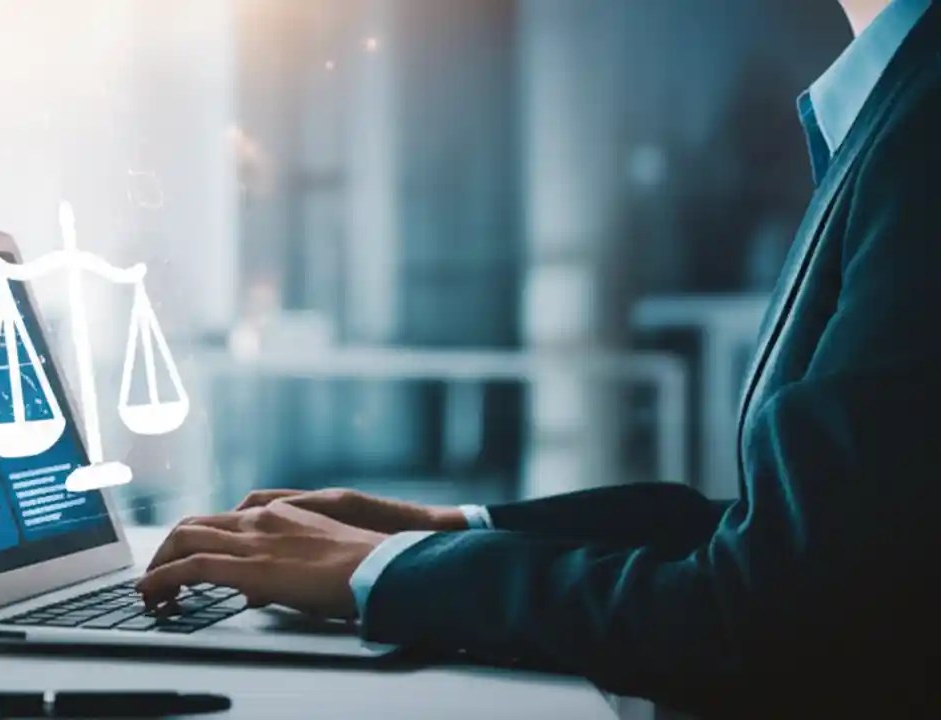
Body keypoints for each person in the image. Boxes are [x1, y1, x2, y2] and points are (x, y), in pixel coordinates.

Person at [139, 0, 941, 713]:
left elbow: (772, 618)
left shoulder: (924, 123)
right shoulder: (896, 101)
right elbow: (786, 540)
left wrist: (391, 572)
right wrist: (444, 528)